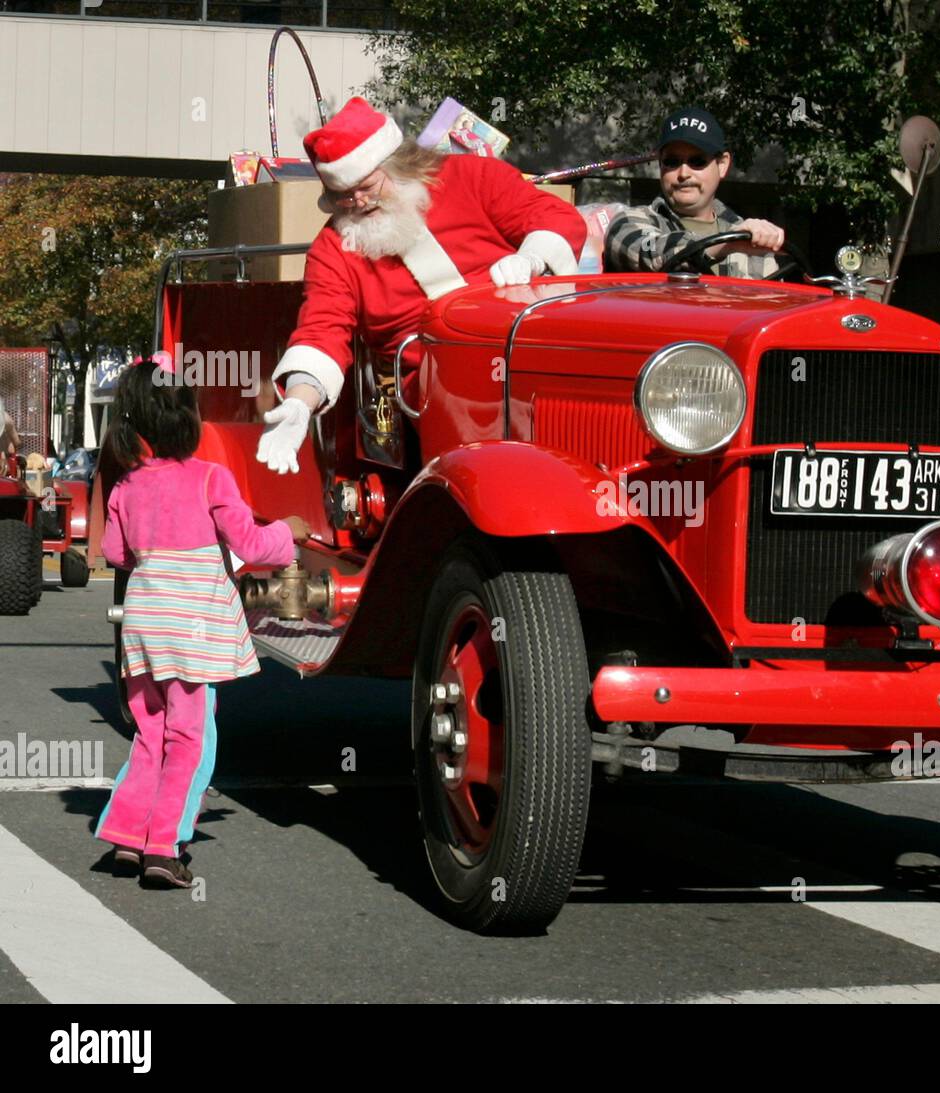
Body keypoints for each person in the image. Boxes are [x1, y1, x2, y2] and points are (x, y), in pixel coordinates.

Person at [257, 97, 587, 475]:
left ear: (395, 165)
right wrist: (300, 403)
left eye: (366, 187)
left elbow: (554, 217)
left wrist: (531, 257)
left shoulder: (473, 178)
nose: (358, 203)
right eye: (343, 196)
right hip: (436, 401)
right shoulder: (333, 249)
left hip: (533, 358)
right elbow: (321, 330)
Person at [96, 352, 309, 887]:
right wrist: (290, 531)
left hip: (144, 626)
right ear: (187, 418)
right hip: (191, 629)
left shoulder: (125, 488)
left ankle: (126, 833)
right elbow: (253, 545)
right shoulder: (211, 479)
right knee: (190, 738)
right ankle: (164, 848)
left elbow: (115, 553)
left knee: (150, 735)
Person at [603, 106, 785, 279]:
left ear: (722, 165)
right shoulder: (627, 222)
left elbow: (775, 305)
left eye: (697, 161)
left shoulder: (750, 240)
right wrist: (725, 244)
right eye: (672, 161)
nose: (683, 174)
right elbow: (650, 251)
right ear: (660, 165)